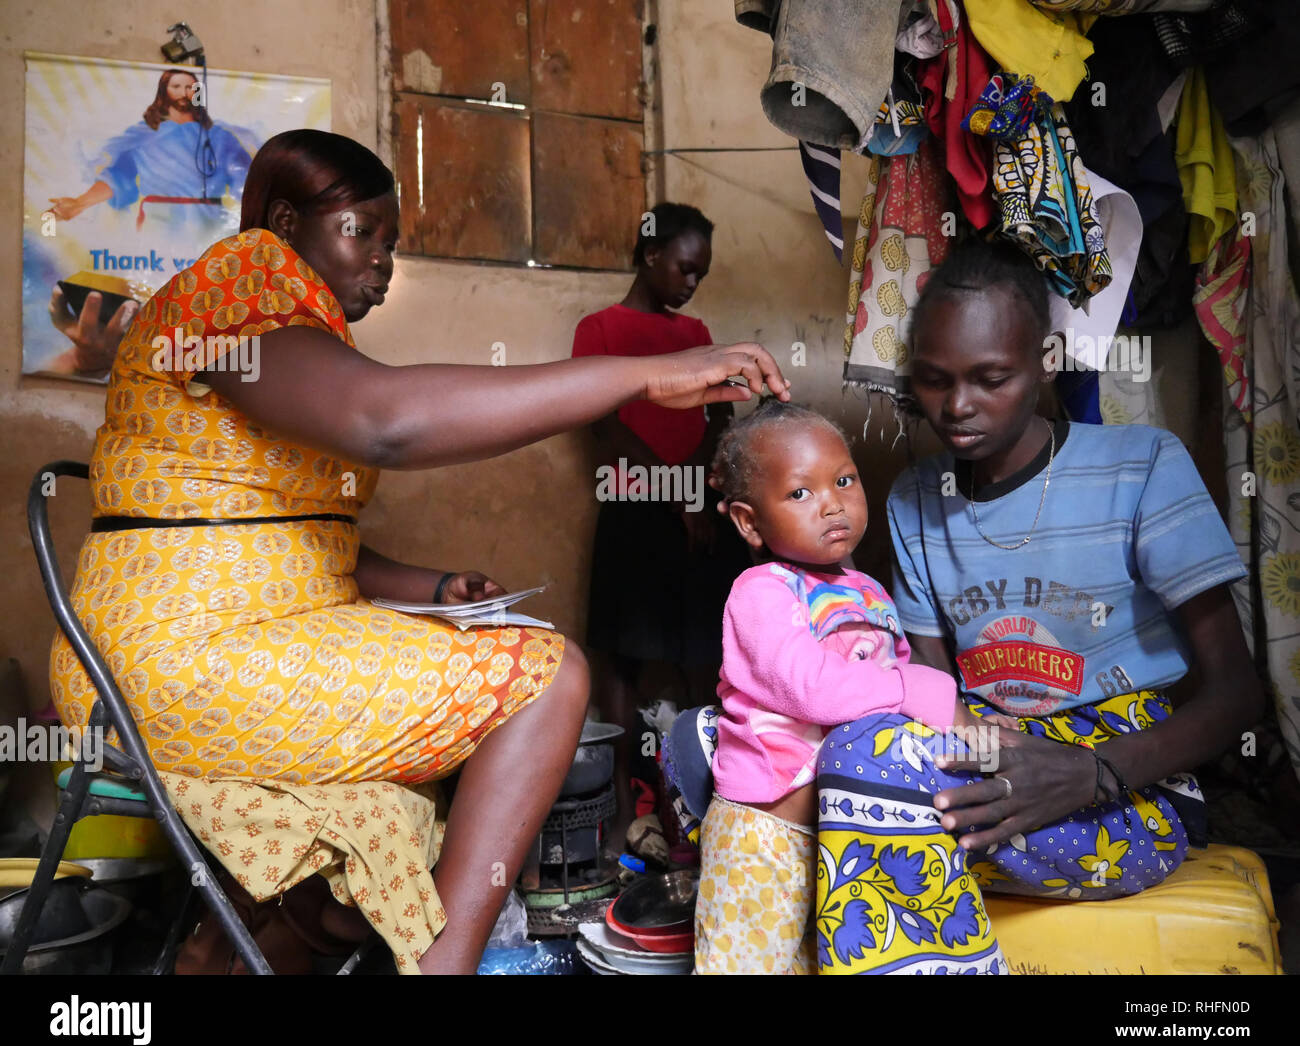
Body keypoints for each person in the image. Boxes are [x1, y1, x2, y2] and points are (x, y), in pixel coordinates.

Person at [46, 129, 790, 974]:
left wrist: (430, 585)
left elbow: (279, 535)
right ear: (286, 221)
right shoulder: (242, 278)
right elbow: (387, 423)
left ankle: (216, 956)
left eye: (392, 242)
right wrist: (639, 374)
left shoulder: (301, 335)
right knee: (548, 679)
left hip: (208, 641)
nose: (384, 261)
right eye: (362, 231)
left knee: (383, 826)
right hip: (180, 655)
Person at [815, 239, 1262, 974]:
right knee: (768, 756)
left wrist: (1091, 773)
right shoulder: (916, 500)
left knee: (861, 793)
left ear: (1047, 359)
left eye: (991, 378)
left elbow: (1237, 694)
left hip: (1130, 791)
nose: (957, 406)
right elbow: (933, 700)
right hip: (986, 766)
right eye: (933, 380)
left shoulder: (1141, 467)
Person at [694, 401, 974, 974]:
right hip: (765, 834)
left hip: (843, 833)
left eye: (844, 480)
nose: (832, 502)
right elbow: (812, 689)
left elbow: (887, 705)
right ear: (750, 522)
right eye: (800, 493)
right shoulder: (761, 591)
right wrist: (921, 689)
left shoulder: (868, 590)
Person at [571, 203, 750, 840]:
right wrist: (676, 497)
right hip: (637, 511)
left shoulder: (697, 331)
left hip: (701, 511)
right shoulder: (599, 330)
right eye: (684, 268)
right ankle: (623, 805)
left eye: (700, 274)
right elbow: (603, 422)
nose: (691, 284)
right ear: (649, 256)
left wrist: (700, 497)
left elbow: (722, 419)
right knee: (621, 659)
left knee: (708, 653)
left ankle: (700, 804)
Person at [47, 68, 251, 230]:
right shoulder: (143, 136)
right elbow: (118, 177)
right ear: (165, 92)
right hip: (160, 223)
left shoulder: (220, 138)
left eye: (190, 87)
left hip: (209, 223)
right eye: (177, 86)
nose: (184, 93)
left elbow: (246, 181)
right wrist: (80, 203)